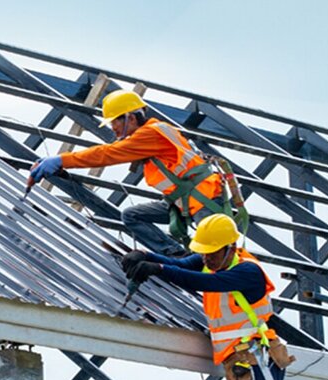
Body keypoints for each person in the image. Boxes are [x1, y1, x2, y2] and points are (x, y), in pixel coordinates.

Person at [122, 214, 295, 380]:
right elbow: (180, 265)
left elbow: (202, 281)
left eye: (211, 253)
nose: (206, 259)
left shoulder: (247, 271)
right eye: (203, 252)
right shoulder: (210, 261)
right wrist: (145, 255)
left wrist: (159, 269)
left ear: (230, 248)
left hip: (255, 358)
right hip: (241, 361)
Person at [27, 89, 227, 257]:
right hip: (185, 200)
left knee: (213, 256)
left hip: (203, 199)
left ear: (130, 118)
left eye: (115, 122)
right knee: (132, 215)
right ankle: (177, 256)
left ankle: (196, 269)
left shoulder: (150, 134)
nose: (113, 128)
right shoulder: (154, 132)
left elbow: (107, 154)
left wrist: (62, 160)